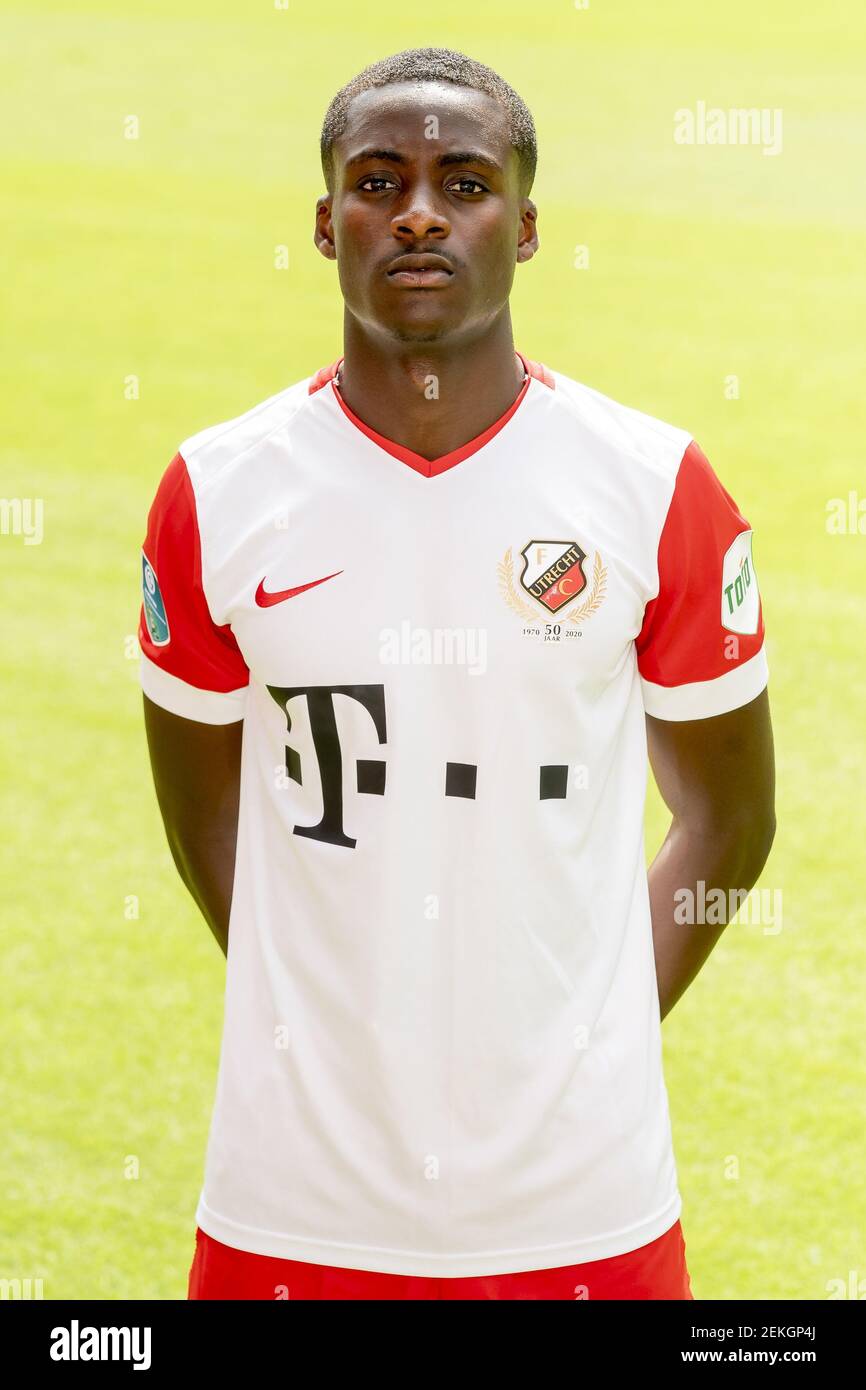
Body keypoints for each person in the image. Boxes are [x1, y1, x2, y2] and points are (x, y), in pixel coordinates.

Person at [138, 47, 776, 1301]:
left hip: (585, 1210)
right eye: (377, 181)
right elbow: (205, 819)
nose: (418, 211)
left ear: (525, 229)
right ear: (326, 226)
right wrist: (326, 1020)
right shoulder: (214, 493)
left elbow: (729, 818)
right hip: (291, 1207)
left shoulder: (653, 488)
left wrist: (586, 1037)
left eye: (463, 182)